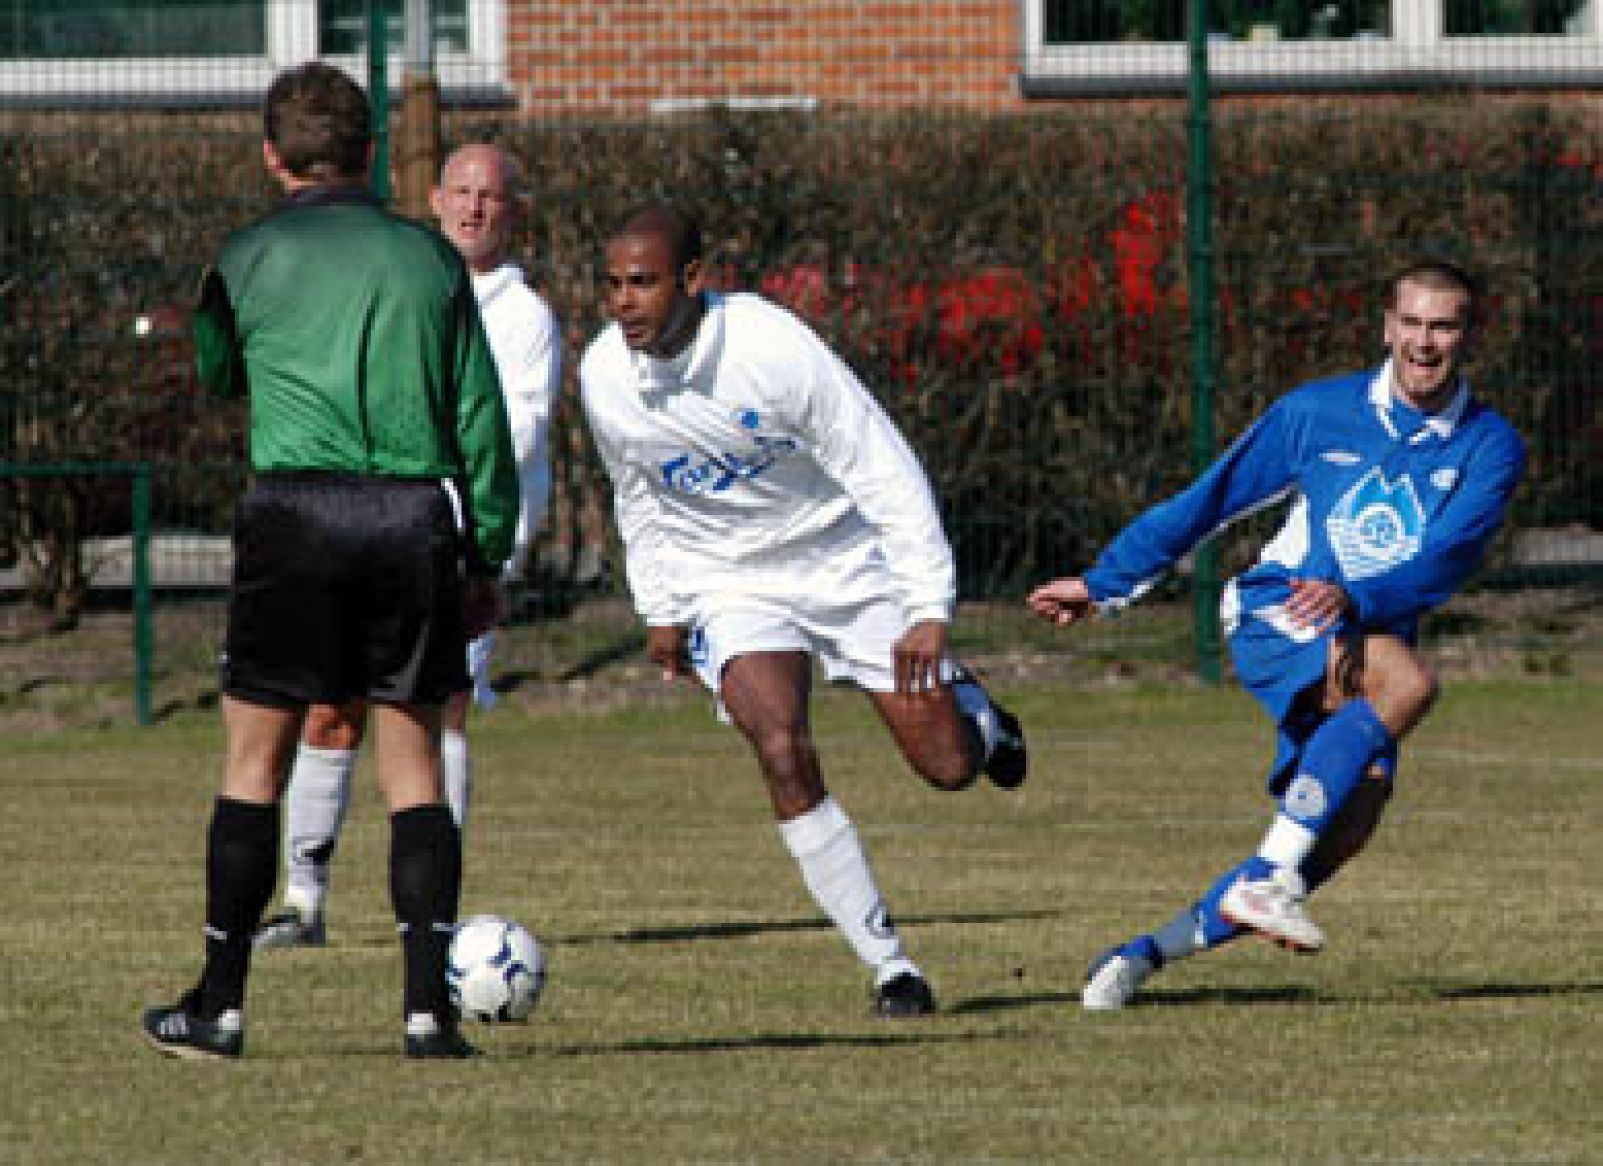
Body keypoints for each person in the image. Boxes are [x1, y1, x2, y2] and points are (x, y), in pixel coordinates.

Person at [139, 62, 519, 1059]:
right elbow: (479, 417)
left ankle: (219, 1004)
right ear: (372, 152)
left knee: (254, 763)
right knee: (415, 770)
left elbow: (218, 369)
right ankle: (428, 1012)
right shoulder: (432, 260)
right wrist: (485, 554)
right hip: (408, 518)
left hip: (293, 515)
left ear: (272, 156)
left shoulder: (246, 254)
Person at [1027, 258, 1525, 1011]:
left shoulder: (1488, 445)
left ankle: (1140, 956)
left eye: (1443, 326)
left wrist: (1356, 594)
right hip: (1276, 611)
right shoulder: (1315, 413)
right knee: (1409, 684)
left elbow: (1445, 558)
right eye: (1412, 324)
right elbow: (1209, 501)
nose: (1424, 342)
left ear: (1469, 335)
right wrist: (1103, 583)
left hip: (1358, 629)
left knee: (1341, 828)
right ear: (1387, 327)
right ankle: (1267, 878)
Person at [578, 203, 1028, 1017]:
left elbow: (879, 463)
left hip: (844, 563)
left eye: (642, 283)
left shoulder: (769, 348)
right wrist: (662, 606)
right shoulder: (604, 373)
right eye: (610, 285)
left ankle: (980, 715)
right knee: (778, 740)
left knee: (949, 766)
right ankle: (890, 967)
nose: (622, 303)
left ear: (691, 280)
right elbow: (635, 491)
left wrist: (926, 606)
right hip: (729, 582)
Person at [251, 142, 562, 951]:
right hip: (370, 522)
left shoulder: (521, 315)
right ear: (432, 199)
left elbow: (515, 430)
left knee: (435, 715)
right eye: (460, 191)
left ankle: (429, 914)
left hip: (456, 540)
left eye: (489, 196)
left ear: (511, 211)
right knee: (330, 709)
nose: (473, 207)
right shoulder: (404, 278)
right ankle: (304, 899)